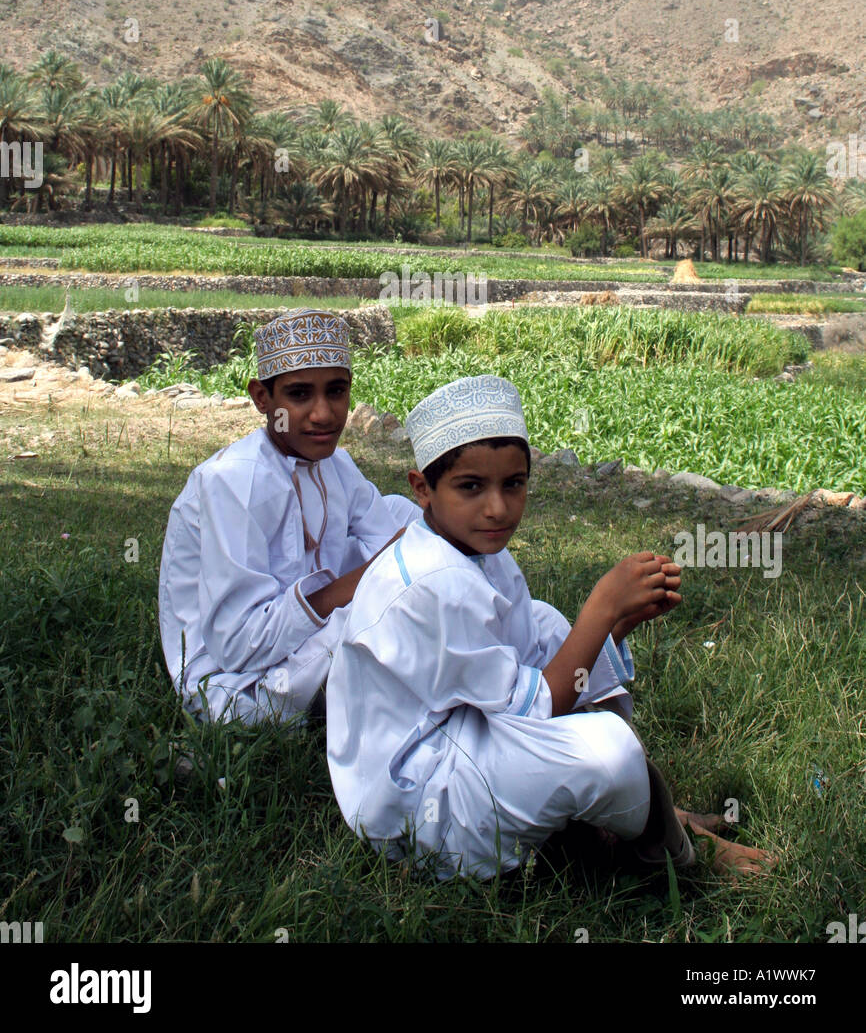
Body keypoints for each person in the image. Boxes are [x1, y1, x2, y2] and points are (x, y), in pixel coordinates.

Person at [327, 374, 775, 879]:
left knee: (543, 621)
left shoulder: (470, 550)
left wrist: (617, 625)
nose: (497, 508)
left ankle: (653, 817)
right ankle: (673, 854)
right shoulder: (434, 584)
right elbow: (540, 704)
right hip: (420, 809)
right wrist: (602, 611)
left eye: (512, 484)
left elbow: (530, 666)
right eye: (470, 486)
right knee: (607, 752)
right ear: (421, 489)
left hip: (462, 736)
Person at [158, 308, 419, 726]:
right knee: (384, 609)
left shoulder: (336, 466)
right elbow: (237, 645)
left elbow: (395, 542)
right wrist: (363, 582)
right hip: (241, 682)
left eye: (336, 391)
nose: (323, 414)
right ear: (262, 398)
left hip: (302, 634)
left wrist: (410, 558)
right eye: (299, 395)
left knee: (411, 517)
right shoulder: (234, 481)